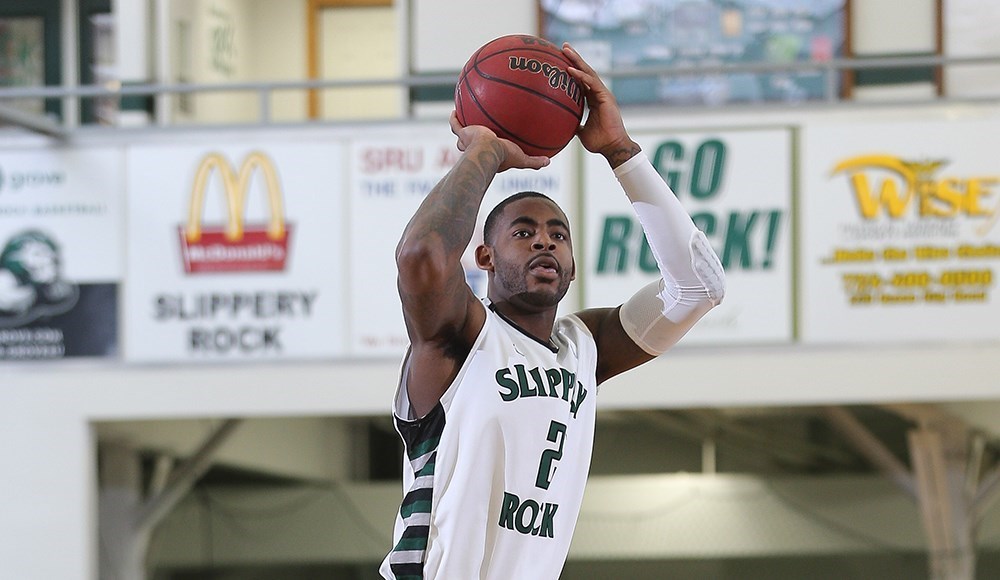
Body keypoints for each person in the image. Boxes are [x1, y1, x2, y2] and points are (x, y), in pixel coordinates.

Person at [380, 43, 725, 580]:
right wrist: (485, 153)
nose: (544, 242)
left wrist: (620, 151)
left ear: (572, 264)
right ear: (485, 258)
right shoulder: (459, 336)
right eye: (524, 233)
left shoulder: (583, 348)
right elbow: (421, 256)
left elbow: (699, 285)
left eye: (557, 235)